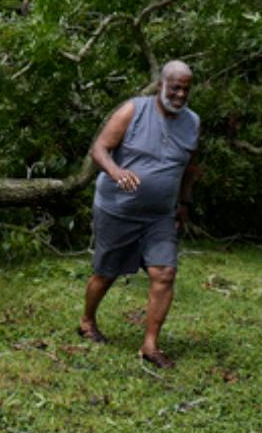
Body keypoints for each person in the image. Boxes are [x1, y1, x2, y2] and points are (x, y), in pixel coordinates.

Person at [77, 61, 201, 369]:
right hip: (118, 208)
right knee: (106, 272)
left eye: (186, 88)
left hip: (160, 215)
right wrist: (117, 172)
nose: (181, 94)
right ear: (161, 84)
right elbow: (100, 149)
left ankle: (149, 345)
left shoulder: (192, 122)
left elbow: (189, 167)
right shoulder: (133, 110)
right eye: (175, 87)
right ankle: (87, 320)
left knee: (164, 273)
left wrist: (184, 204)